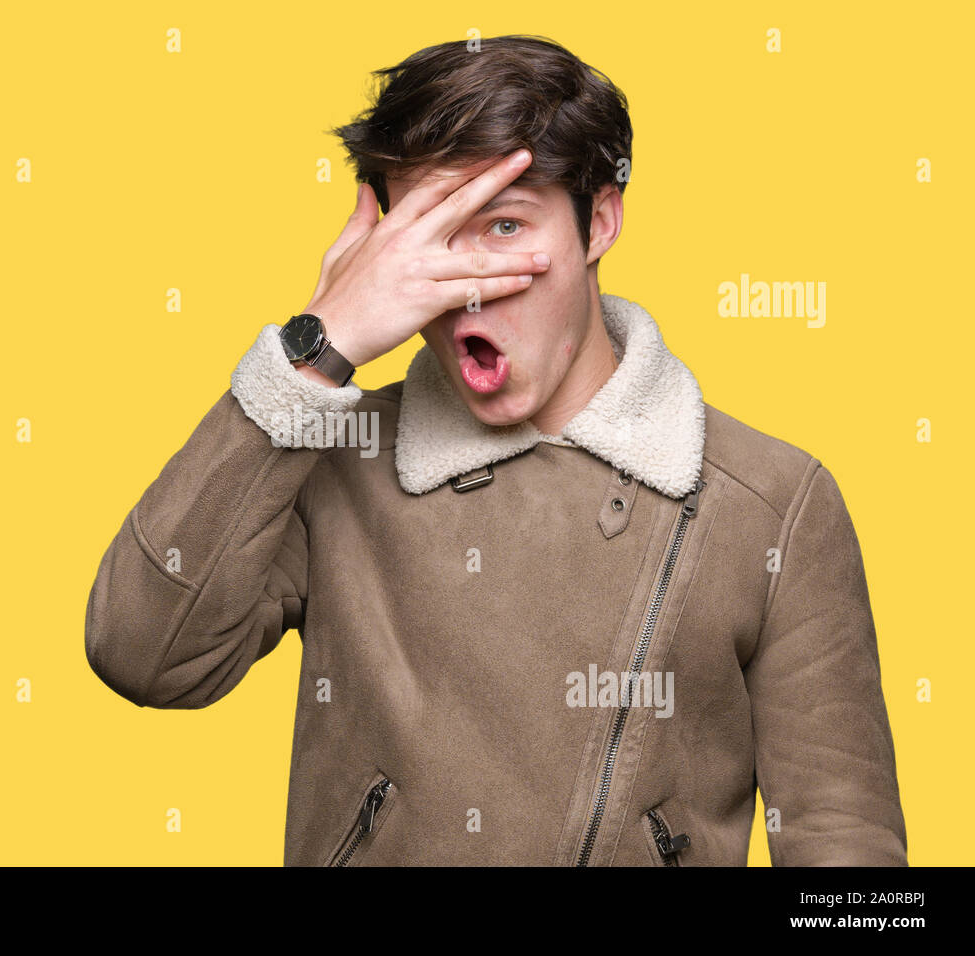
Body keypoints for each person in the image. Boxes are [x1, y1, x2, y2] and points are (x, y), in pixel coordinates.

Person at [84, 34, 906, 866]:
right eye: (429, 243)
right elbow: (144, 658)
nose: (468, 285)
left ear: (601, 221)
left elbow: (845, 847)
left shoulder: (770, 499)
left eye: (504, 226)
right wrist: (315, 353)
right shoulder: (329, 452)